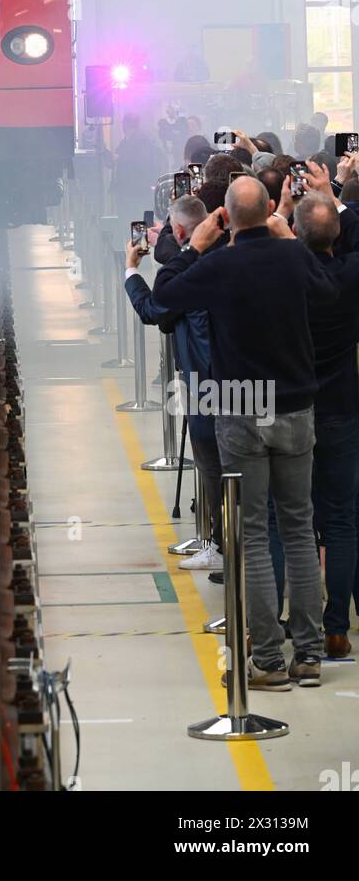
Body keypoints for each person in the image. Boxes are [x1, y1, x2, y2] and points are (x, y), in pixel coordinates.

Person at [153, 175, 338, 689]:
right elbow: (329, 292)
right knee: (300, 530)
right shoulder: (295, 258)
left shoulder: (219, 264)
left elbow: (164, 295)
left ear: (227, 217)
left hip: (238, 404)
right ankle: (309, 655)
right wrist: (288, 239)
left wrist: (195, 245)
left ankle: (270, 663)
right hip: (297, 405)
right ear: (269, 216)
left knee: (252, 534)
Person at [125, 195, 224, 572]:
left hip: (206, 385)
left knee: (213, 468)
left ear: (179, 230)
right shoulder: (228, 259)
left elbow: (155, 309)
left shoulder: (190, 273)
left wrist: (131, 270)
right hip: (246, 381)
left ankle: (220, 544)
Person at [292, 187, 359, 657]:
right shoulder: (353, 274)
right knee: (340, 519)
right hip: (342, 407)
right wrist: (335, 196)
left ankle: (304, 625)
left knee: (296, 522)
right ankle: (338, 627)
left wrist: (281, 219)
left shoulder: (287, 276)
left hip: (295, 407)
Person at [112, 113, 164, 221]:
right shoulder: (127, 140)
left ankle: (137, 238)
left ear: (127, 125)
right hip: (129, 190)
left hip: (136, 191)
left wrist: (120, 158)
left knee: (135, 220)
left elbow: (141, 162)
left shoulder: (142, 141)